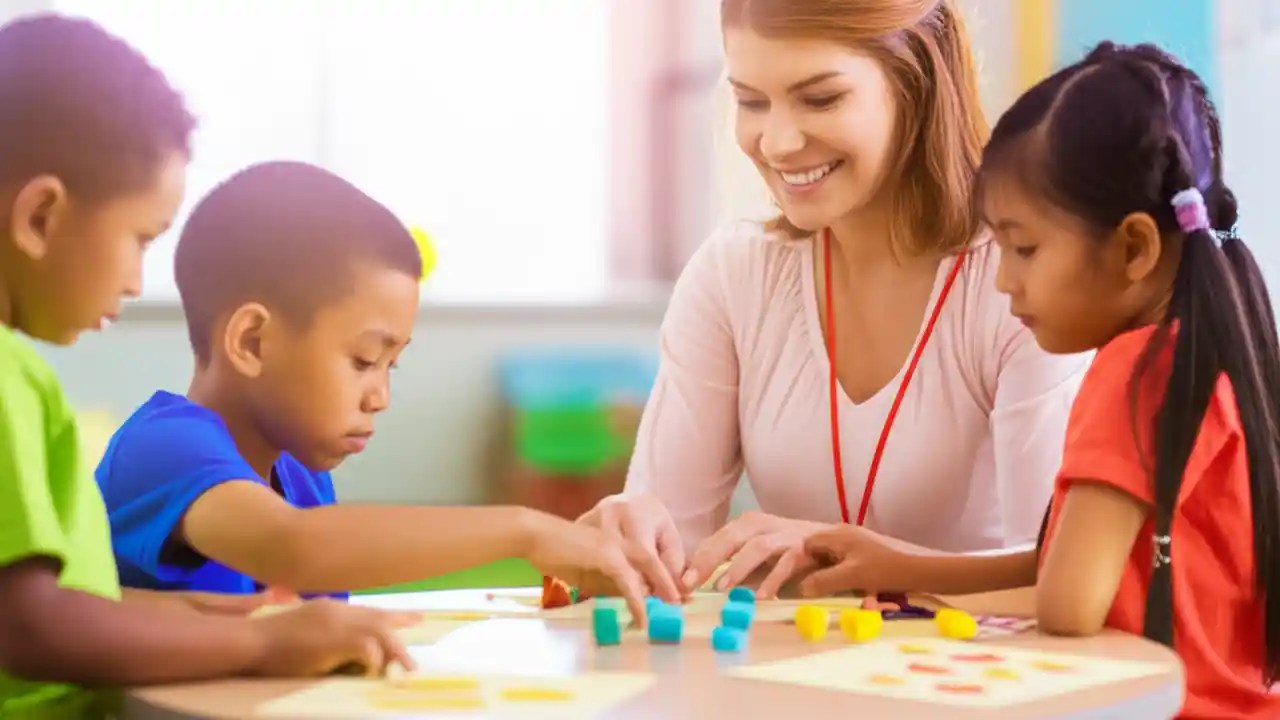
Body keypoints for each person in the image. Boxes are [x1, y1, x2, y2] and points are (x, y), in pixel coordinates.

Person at [802, 42, 1280, 718]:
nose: (1004, 281)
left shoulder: (1133, 371)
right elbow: (1080, 562)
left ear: (1135, 247)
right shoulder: (1212, 357)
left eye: (1024, 249)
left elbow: (1070, 602)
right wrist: (905, 567)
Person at [577, 0, 1089, 598]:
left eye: (820, 99)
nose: (778, 141)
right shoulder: (734, 275)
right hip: (791, 683)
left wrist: (856, 556)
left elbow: (1060, 583)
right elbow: (666, 566)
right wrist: (625, 545)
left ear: (917, 83)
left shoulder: (1014, 283)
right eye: (751, 101)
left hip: (986, 680)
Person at [0, 15, 418, 718]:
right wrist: (260, 647)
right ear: (41, 216)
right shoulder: (13, 376)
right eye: (140, 238)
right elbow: (27, 626)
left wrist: (190, 615)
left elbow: (50, 603)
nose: (136, 281)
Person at [95, 161, 680, 624]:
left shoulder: (299, 477)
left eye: (391, 367)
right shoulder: (163, 446)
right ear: (252, 341)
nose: (380, 397)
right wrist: (530, 530)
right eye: (363, 361)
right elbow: (293, 547)